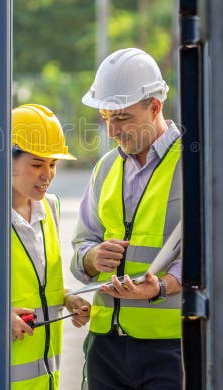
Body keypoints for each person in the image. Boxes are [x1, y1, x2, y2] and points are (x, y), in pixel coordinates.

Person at [70, 48, 183, 389]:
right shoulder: (106, 167)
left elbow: (213, 251)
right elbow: (81, 245)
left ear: (155, 107)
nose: (111, 130)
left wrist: (162, 286)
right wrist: (92, 257)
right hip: (105, 346)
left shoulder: (193, 165)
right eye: (106, 117)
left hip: (169, 347)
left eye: (121, 118)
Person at [10, 104, 91, 389]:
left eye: (53, 164)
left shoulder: (50, 208)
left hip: (47, 379)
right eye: (36, 164)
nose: (47, 174)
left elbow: (38, 284)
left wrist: (66, 297)